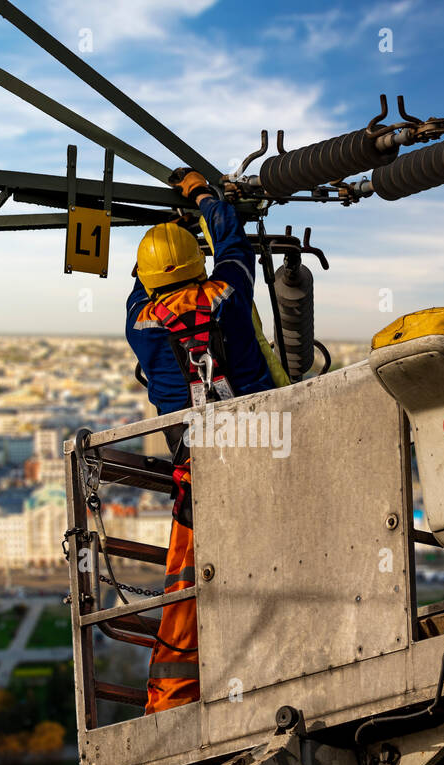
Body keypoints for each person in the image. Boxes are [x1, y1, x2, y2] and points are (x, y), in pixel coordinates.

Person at [125, 167, 281, 713]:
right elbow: (233, 245)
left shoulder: (139, 326)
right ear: (198, 264)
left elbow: (137, 290)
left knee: (189, 593)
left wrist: (163, 231)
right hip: (268, 457)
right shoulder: (231, 294)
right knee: (286, 571)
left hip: (202, 479)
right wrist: (205, 199)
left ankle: (172, 705)